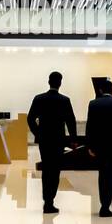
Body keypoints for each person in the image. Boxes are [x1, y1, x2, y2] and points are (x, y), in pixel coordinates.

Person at [27, 71, 77, 214]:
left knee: (47, 168)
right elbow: (71, 121)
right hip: (59, 140)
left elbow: (30, 119)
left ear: (49, 82)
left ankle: (46, 201)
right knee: (55, 170)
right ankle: (50, 201)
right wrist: (73, 139)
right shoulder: (64, 100)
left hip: (45, 140)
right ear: (60, 83)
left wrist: (38, 133)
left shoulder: (39, 99)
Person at [85, 79, 112, 217]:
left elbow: (89, 127)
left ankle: (102, 204)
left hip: (99, 147)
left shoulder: (93, 104)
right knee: (111, 176)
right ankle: (106, 207)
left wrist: (90, 146)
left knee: (102, 175)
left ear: (100, 91)